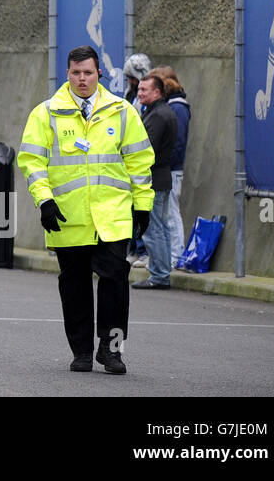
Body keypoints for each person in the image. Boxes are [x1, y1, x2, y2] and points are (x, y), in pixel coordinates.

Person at [16, 45, 154, 374]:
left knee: (116, 281)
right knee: (74, 285)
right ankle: (81, 351)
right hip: (68, 216)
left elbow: (139, 160)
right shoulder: (46, 113)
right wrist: (44, 200)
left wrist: (142, 205)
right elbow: (32, 162)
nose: (82, 79)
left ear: (99, 74)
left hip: (112, 216)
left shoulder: (122, 112)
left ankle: (112, 350)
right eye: (76, 73)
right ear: (67, 74)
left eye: (88, 73)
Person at [133, 74, 177, 289]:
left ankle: (159, 275)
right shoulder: (158, 112)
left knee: (153, 229)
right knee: (161, 227)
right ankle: (162, 272)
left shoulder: (158, 115)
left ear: (157, 92)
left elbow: (146, 149)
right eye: (139, 89)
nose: (140, 93)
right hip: (160, 178)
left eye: (144, 90)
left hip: (154, 179)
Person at [148, 65, 190, 264]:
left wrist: (166, 163)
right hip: (168, 169)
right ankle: (167, 257)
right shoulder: (171, 106)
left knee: (171, 215)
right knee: (165, 217)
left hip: (171, 170)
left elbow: (178, 143)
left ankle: (175, 254)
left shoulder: (178, 108)